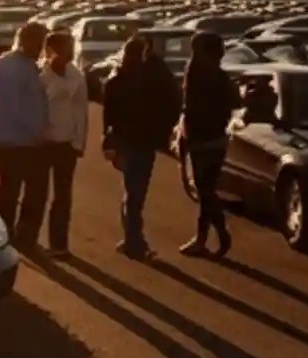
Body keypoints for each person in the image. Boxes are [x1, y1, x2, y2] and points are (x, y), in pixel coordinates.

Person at [102, 36, 180, 259]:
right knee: (135, 194)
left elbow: (109, 116)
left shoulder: (121, 79)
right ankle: (134, 241)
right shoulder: (149, 78)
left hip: (132, 143)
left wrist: (109, 142)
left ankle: (132, 239)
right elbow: (173, 99)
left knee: (133, 193)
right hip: (138, 143)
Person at [0, 22, 50, 247]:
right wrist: (38, 131)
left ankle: (8, 231)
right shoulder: (17, 67)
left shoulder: (10, 63)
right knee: (32, 189)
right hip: (20, 139)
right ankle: (22, 234)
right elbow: (17, 106)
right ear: (29, 42)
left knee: (9, 188)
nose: (42, 49)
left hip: (8, 136)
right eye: (40, 43)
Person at [178, 32, 240, 258]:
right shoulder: (219, 77)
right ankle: (202, 238)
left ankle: (221, 235)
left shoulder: (198, 76)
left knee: (205, 191)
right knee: (206, 190)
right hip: (215, 139)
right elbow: (235, 102)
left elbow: (190, 109)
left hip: (203, 139)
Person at [39, 32, 89, 259]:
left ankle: (59, 244)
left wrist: (79, 142)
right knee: (37, 193)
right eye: (65, 47)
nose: (70, 51)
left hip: (66, 144)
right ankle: (28, 239)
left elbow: (81, 112)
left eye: (71, 46)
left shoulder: (76, 75)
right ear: (51, 49)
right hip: (41, 143)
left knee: (63, 196)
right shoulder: (40, 74)